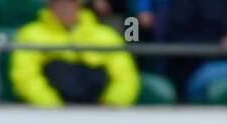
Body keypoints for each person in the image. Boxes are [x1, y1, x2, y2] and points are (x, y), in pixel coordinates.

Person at [10, 0, 140, 107]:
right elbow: (25, 76)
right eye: (58, 4)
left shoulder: (106, 35)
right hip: (50, 114)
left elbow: (125, 76)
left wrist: (111, 104)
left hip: (100, 111)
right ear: (49, 6)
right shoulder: (30, 34)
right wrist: (53, 108)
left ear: (79, 6)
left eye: (70, 3)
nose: (64, 8)